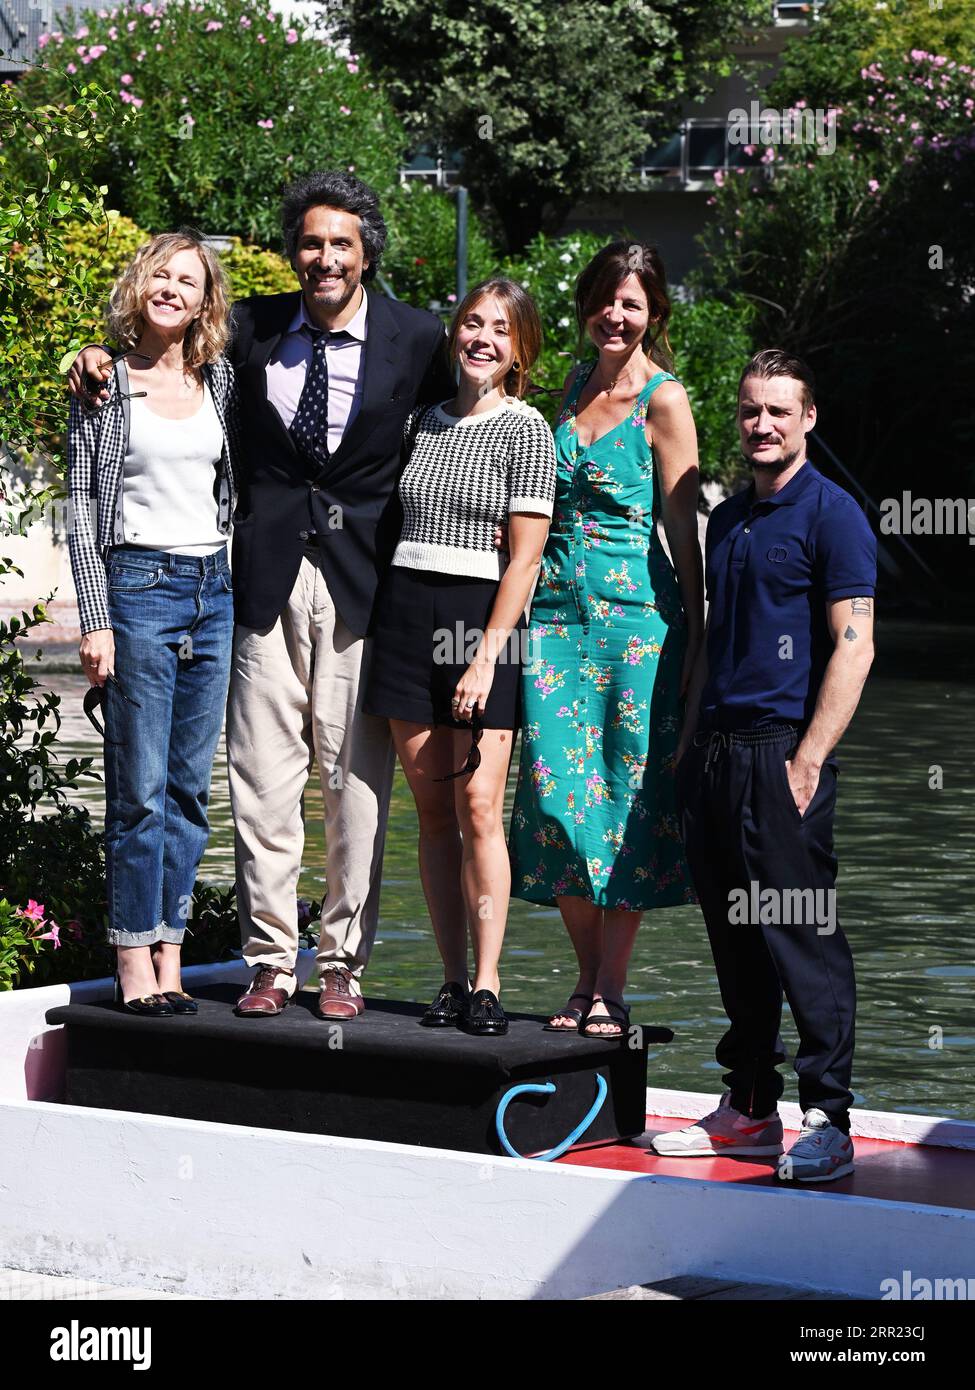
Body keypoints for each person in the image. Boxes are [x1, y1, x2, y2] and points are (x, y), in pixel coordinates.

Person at [70, 171, 455, 1021]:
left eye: (341, 244)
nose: (324, 258)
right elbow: (153, 351)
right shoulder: (246, 329)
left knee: (355, 782)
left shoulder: (417, 336)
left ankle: (342, 964)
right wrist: (93, 353)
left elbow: (464, 421)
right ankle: (270, 962)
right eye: (311, 243)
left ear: (365, 253)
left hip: (364, 584)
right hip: (256, 581)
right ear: (295, 251)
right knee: (261, 780)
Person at [652, 349, 876, 1182]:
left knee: (800, 937)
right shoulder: (733, 518)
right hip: (715, 756)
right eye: (750, 410)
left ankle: (828, 1118)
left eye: (779, 411)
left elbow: (855, 644)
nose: (762, 425)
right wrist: (686, 749)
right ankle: (748, 1107)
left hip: (785, 757)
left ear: (807, 418)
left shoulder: (833, 515)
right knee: (735, 938)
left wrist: (810, 757)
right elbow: (710, 642)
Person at [508, 241, 702, 1039]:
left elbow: (684, 524)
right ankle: (585, 973)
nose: (615, 315)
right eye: (603, 300)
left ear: (653, 313)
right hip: (552, 623)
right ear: (586, 305)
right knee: (556, 802)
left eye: (632, 303)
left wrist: (703, 633)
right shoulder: (566, 389)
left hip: (636, 626)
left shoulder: (664, 399)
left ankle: (607, 990)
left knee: (623, 802)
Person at [364, 279, 556, 1035]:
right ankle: (447, 981)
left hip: (482, 622)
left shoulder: (526, 428)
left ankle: (486, 983)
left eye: (499, 330)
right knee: (433, 814)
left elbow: (525, 562)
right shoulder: (422, 422)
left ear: (519, 348)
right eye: (471, 323)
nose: (481, 338)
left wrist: (484, 659)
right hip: (407, 614)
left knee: (480, 808)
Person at [67, 230, 239, 1015]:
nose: (173, 289)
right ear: (141, 285)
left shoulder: (221, 380)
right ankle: (133, 962)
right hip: (139, 587)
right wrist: (97, 620)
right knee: (137, 793)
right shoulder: (103, 383)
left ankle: (171, 954)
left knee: (188, 791)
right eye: (162, 275)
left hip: (214, 588)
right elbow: (77, 509)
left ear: (206, 302)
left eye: (189, 280)